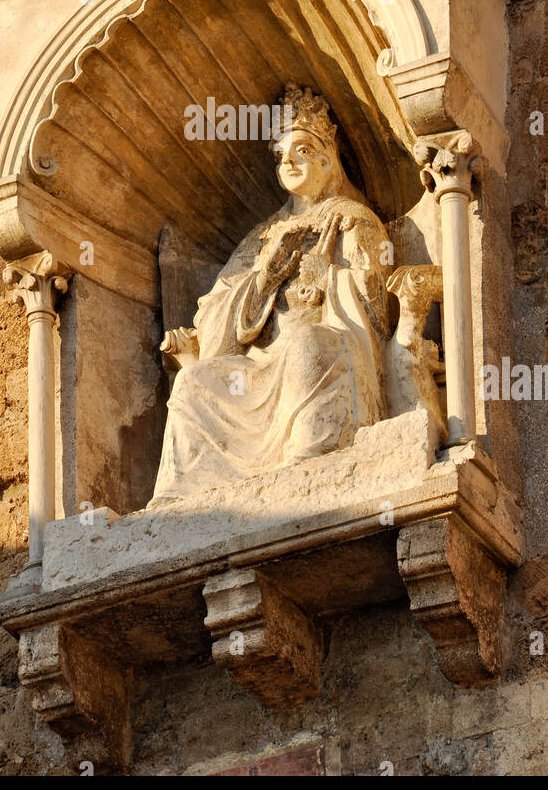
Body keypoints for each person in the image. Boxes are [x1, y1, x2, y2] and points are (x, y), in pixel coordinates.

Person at [152, 84, 393, 501]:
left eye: (301, 150)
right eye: (281, 156)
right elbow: (214, 319)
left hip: (324, 344)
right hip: (260, 366)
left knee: (306, 345)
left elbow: (375, 308)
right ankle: (186, 499)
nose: (290, 162)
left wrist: (328, 280)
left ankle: (309, 465)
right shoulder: (263, 237)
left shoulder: (354, 219)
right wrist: (265, 277)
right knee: (193, 381)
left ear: (325, 157)